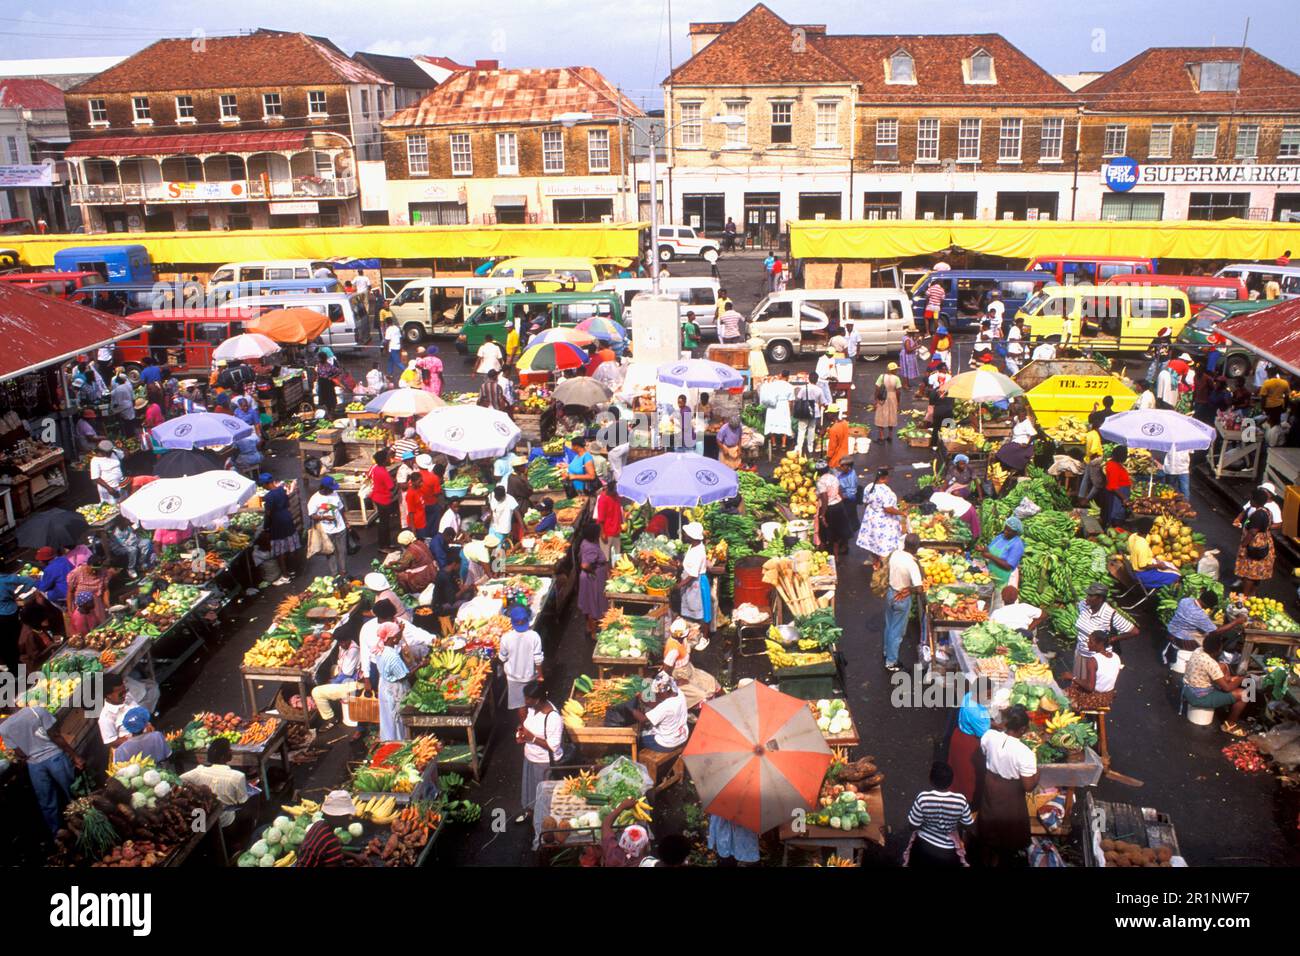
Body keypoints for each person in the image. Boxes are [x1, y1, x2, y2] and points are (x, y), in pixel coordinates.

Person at [0, 703, 85, 835]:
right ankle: (87, 820)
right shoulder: (36, 711)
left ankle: (57, 834)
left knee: (47, 801)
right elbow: (55, 736)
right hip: (56, 758)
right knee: (74, 791)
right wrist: (74, 755)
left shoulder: (4, 728)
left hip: (35, 766)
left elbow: (21, 753)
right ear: (14, 703)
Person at [978, 705, 1038, 867]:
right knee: (1007, 830)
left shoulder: (989, 735)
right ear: (1023, 729)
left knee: (989, 823)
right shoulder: (1025, 752)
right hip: (1009, 793)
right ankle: (1000, 859)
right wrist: (1037, 773)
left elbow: (984, 752)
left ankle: (986, 857)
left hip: (991, 785)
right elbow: (1028, 786)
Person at [515, 680, 566, 825]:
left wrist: (532, 738)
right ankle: (530, 813)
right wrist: (522, 733)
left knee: (544, 796)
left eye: (528, 698)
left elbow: (553, 746)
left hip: (544, 763)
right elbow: (527, 726)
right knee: (530, 790)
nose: (525, 701)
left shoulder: (553, 718)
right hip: (530, 758)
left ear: (538, 699)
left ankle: (544, 824)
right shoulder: (532, 709)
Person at [904, 761, 973, 867]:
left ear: (930, 780)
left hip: (923, 848)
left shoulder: (923, 798)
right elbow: (968, 825)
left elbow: (912, 826)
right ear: (951, 781)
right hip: (948, 854)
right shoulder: (960, 800)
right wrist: (952, 824)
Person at [1183, 632, 1250, 736]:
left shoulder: (1199, 650)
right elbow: (1227, 688)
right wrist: (1241, 678)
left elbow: (1214, 669)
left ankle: (1227, 700)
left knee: (1223, 666)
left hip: (1188, 689)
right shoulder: (1211, 664)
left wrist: (1230, 678)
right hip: (1199, 697)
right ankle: (1229, 725)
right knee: (1244, 694)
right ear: (1218, 649)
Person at [180, 738, 249, 828]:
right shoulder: (237, 777)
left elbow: (179, 780)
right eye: (228, 749)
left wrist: (195, 790)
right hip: (225, 820)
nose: (231, 750)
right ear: (222, 757)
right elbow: (242, 801)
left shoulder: (199, 771)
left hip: (205, 820)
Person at [946, 677, 991, 806]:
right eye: (988, 694)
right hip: (969, 744)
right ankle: (968, 804)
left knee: (958, 771)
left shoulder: (969, 695)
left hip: (959, 736)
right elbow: (985, 734)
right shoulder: (975, 712)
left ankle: (956, 794)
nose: (990, 697)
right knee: (969, 775)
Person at [883, 533, 923, 673]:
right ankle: (891, 662)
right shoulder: (911, 564)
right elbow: (919, 588)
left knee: (889, 625)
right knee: (897, 631)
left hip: (890, 593)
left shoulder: (895, 554)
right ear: (916, 547)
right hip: (901, 597)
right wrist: (908, 589)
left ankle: (886, 652)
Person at [310, 629, 362, 728]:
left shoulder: (353, 651)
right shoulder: (345, 645)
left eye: (342, 642)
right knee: (332, 668)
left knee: (316, 692)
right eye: (339, 642)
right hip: (348, 676)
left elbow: (346, 675)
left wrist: (332, 682)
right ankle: (330, 697)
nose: (341, 644)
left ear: (348, 639)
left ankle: (331, 719)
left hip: (353, 684)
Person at [376, 621, 420, 741]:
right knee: (397, 720)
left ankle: (389, 741)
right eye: (399, 636)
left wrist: (399, 631)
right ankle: (399, 742)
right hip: (395, 689)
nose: (401, 637)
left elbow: (394, 641)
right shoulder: (392, 657)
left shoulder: (380, 648)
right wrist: (421, 665)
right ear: (394, 638)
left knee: (388, 719)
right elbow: (404, 676)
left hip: (385, 687)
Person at [663, 617, 719, 709]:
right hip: (679, 675)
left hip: (689, 669)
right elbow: (666, 669)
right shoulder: (673, 649)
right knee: (700, 695)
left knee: (711, 682)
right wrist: (674, 681)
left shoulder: (682, 639)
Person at [500, 605, 543, 720]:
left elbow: (502, 658)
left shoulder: (506, 638)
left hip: (514, 678)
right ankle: (535, 727)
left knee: (520, 704)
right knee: (533, 701)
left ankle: (525, 728)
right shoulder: (534, 636)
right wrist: (540, 675)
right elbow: (538, 659)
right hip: (531, 676)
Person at [1074, 582, 1139, 658]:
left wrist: (1111, 639)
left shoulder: (1110, 614)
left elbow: (1134, 632)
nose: (1087, 598)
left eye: (1091, 596)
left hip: (1097, 659)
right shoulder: (1083, 605)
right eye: (1087, 594)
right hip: (1080, 652)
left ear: (1100, 598)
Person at [856, 468, 904, 568]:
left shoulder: (869, 487)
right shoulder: (886, 491)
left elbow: (865, 502)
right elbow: (888, 509)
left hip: (871, 518)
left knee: (874, 540)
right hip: (883, 520)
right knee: (883, 544)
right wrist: (901, 513)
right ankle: (882, 567)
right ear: (885, 478)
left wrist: (872, 512)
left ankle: (875, 560)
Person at [633, 672, 689, 753]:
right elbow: (659, 704)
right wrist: (645, 700)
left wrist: (630, 708)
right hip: (682, 737)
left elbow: (644, 719)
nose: (657, 695)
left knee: (639, 738)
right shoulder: (679, 693)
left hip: (667, 744)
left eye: (658, 693)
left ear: (664, 692)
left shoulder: (666, 706)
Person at [295, 790, 354, 867]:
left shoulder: (318, 825)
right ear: (338, 817)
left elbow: (328, 850)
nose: (350, 818)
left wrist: (355, 856)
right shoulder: (331, 841)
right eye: (347, 815)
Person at [259, 474, 299, 583]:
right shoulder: (281, 490)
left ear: (267, 484)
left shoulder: (269, 497)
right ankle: (292, 570)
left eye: (263, 485)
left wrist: (266, 528)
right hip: (287, 518)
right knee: (291, 547)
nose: (264, 487)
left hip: (277, 523)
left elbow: (268, 513)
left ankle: (285, 576)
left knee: (280, 552)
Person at [307, 476, 348, 578]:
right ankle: (334, 574)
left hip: (340, 527)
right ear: (325, 488)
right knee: (330, 552)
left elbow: (341, 509)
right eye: (331, 488)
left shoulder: (335, 494)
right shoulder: (315, 499)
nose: (333, 490)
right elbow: (312, 515)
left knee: (342, 550)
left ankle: (343, 571)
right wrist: (324, 517)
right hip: (326, 530)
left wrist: (346, 522)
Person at [677, 522, 713, 638]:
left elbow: (693, 574)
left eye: (686, 534)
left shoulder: (699, 551)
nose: (684, 536)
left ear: (692, 536)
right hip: (691, 582)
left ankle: (705, 637)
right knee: (691, 607)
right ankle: (694, 632)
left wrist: (678, 586)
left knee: (703, 610)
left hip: (697, 583)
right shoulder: (693, 546)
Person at [1126, 516, 1181, 589]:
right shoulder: (1142, 545)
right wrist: (1158, 565)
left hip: (1133, 565)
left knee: (1169, 566)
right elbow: (1142, 566)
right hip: (1141, 574)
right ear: (1149, 530)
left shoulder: (1132, 536)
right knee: (1175, 576)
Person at [64, 554, 112, 638]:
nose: (94, 572)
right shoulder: (77, 573)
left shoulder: (103, 572)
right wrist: (70, 610)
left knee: (100, 629)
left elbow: (105, 589)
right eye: (93, 569)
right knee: (85, 631)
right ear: (88, 565)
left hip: (96, 604)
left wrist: (107, 605)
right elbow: (70, 592)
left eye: (97, 570)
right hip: (83, 606)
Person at [1235, 508, 1274, 597]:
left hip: (1255, 546)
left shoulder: (1258, 514)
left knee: (1249, 573)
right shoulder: (1268, 511)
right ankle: (1252, 594)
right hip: (1264, 543)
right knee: (1258, 572)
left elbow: (1252, 532)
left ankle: (1245, 596)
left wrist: (1243, 544)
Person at [815, 459, 851, 558]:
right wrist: (842, 502)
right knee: (837, 531)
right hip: (838, 505)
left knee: (825, 532)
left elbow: (825, 498)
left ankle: (825, 555)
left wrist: (822, 515)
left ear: (818, 471)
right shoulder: (834, 478)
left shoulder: (821, 482)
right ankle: (837, 556)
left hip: (829, 508)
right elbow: (839, 491)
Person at [978, 516, 1025, 589]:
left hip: (1004, 579)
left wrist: (990, 556)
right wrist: (983, 549)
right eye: (1005, 528)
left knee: (1000, 598)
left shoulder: (1017, 545)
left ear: (1016, 533)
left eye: (1009, 531)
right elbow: (989, 549)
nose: (1005, 531)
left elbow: (1008, 566)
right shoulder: (1000, 537)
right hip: (992, 574)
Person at [367, 449, 398, 550]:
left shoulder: (375, 468)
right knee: (384, 524)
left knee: (384, 522)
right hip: (383, 500)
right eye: (388, 458)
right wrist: (396, 481)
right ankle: (383, 546)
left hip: (377, 497)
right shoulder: (383, 473)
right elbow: (391, 487)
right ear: (384, 460)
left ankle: (386, 544)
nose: (390, 459)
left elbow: (369, 475)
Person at [993, 408, 1037, 475]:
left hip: (1023, 444)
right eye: (1019, 416)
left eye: (1021, 416)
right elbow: (1012, 418)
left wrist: (1027, 444)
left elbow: (1034, 435)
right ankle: (1007, 468)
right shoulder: (1018, 419)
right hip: (1015, 441)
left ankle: (1014, 468)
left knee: (1005, 449)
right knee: (1005, 448)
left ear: (1025, 415)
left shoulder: (1026, 423)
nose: (1019, 418)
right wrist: (1002, 419)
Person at [760, 370, 794, 452]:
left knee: (772, 423)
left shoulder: (773, 384)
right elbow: (791, 401)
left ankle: (774, 443)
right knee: (784, 423)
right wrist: (790, 410)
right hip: (784, 405)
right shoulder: (790, 386)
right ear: (787, 377)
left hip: (773, 405)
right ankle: (783, 444)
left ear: (781, 375)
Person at [1099, 445, 1132, 529]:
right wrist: (1124, 498)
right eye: (1124, 454)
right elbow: (1114, 486)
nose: (1126, 456)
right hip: (1116, 497)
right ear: (1118, 455)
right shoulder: (1113, 466)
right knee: (1115, 518)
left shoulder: (1116, 464)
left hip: (1119, 495)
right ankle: (1111, 529)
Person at [1078, 412, 1106, 504]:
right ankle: (1086, 499)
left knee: (1086, 479)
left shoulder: (1089, 434)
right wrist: (1096, 457)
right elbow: (1094, 450)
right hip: (1094, 460)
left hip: (1088, 459)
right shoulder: (1096, 436)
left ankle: (1081, 496)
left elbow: (1083, 442)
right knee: (1098, 483)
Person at [34, 546, 73, 611]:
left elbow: (43, 587)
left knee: (41, 592)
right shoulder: (64, 559)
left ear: (45, 560)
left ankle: (63, 609)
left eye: (41, 560)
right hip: (74, 586)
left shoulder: (49, 569)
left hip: (65, 593)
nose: (40, 562)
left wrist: (35, 581)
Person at [90, 440, 126, 504]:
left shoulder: (114, 453)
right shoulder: (95, 461)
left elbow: (126, 456)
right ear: (101, 451)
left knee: (124, 503)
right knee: (112, 507)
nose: (110, 453)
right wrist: (109, 489)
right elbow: (96, 478)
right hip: (109, 488)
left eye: (110, 451)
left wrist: (122, 447)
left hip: (121, 485)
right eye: (107, 452)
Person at [595, 479, 623, 559]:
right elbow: (600, 519)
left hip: (617, 529)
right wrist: (602, 532)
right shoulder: (603, 499)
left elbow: (618, 510)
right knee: (606, 556)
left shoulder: (616, 496)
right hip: (607, 532)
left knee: (617, 555)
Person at [873, 362, 902, 441]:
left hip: (882, 397)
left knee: (881, 415)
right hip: (892, 397)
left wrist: (876, 399)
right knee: (891, 415)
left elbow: (877, 388)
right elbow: (898, 391)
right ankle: (890, 436)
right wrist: (898, 401)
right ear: (894, 370)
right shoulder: (897, 378)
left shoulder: (882, 376)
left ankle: (881, 436)